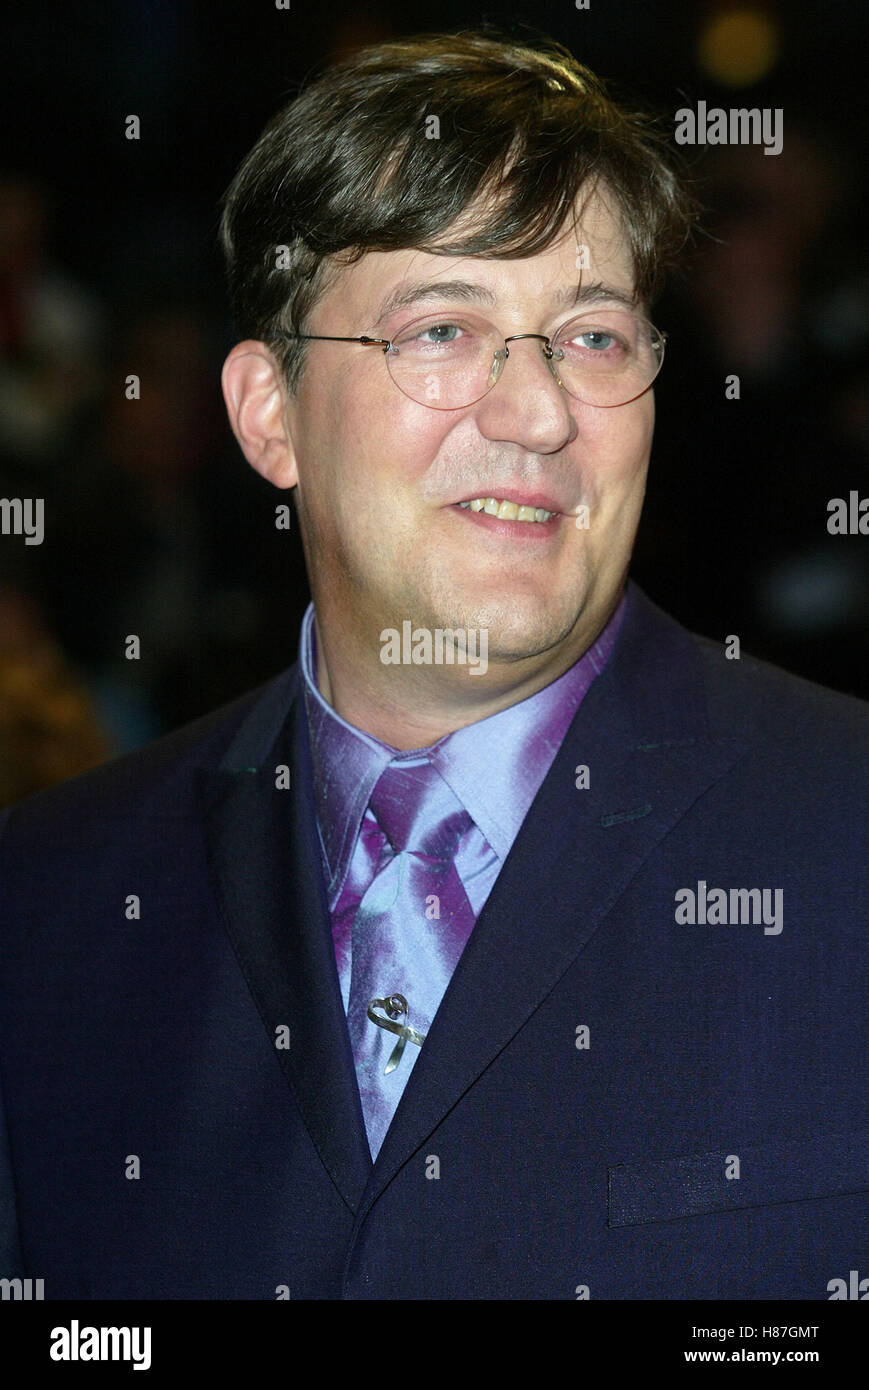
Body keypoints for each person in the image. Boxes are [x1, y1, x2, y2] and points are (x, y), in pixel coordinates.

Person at [0, 30, 866, 1302]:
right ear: (268, 414)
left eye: (592, 339)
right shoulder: (48, 906)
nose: (537, 413)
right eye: (443, 327)